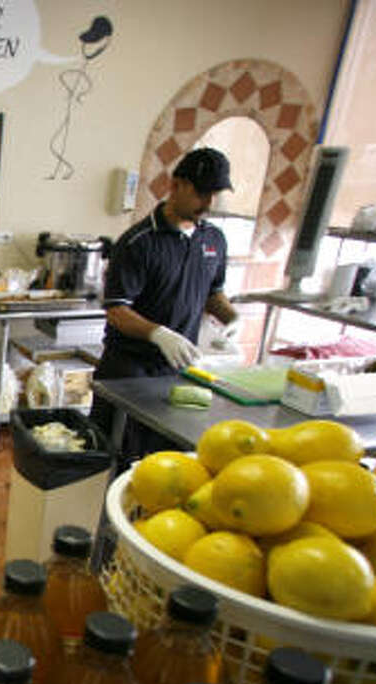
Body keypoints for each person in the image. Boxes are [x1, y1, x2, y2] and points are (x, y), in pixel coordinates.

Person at [89, 147, 241, 459]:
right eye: (201, 193)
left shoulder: (213, 240)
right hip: (129, 370)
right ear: (176, 185)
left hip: (178, 370)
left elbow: (213, 293)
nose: (208, 203)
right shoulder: (138, 242)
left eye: (214, 194)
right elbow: (117, 310)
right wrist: (158, 333)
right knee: (116, 456)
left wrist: (232, 318)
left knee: (165, 456)